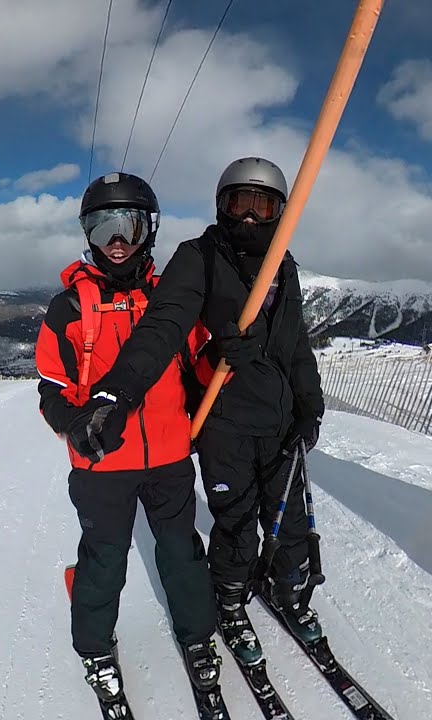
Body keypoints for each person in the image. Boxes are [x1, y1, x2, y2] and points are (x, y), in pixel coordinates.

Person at [64, 157, 326, 668]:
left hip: (279, 421)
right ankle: (229, 598)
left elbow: (296, 346)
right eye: (238, 204)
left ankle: (291, 589)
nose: (249, 219)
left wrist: (309, 406)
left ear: (279, 212)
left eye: (262, 206)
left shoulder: (282, 264)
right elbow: (160, 330)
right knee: (236, 519)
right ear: (220, 207)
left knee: (289, 516)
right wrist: (117, 394)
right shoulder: (199, 257)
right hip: (223, 421)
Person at [34, 171, 223, 705]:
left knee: (182, 552)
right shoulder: (69, 309)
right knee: (104, 555)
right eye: (103, 227)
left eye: (129, 226)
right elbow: (51, 389)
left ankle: (197, 637)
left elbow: (198, 373)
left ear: (150, 231)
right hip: (101, 465)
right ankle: (95, 645)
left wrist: (225, 351)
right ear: (87, 235)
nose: (117, 241)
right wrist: (76, 426)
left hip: (168, 455)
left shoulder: (173, 304)